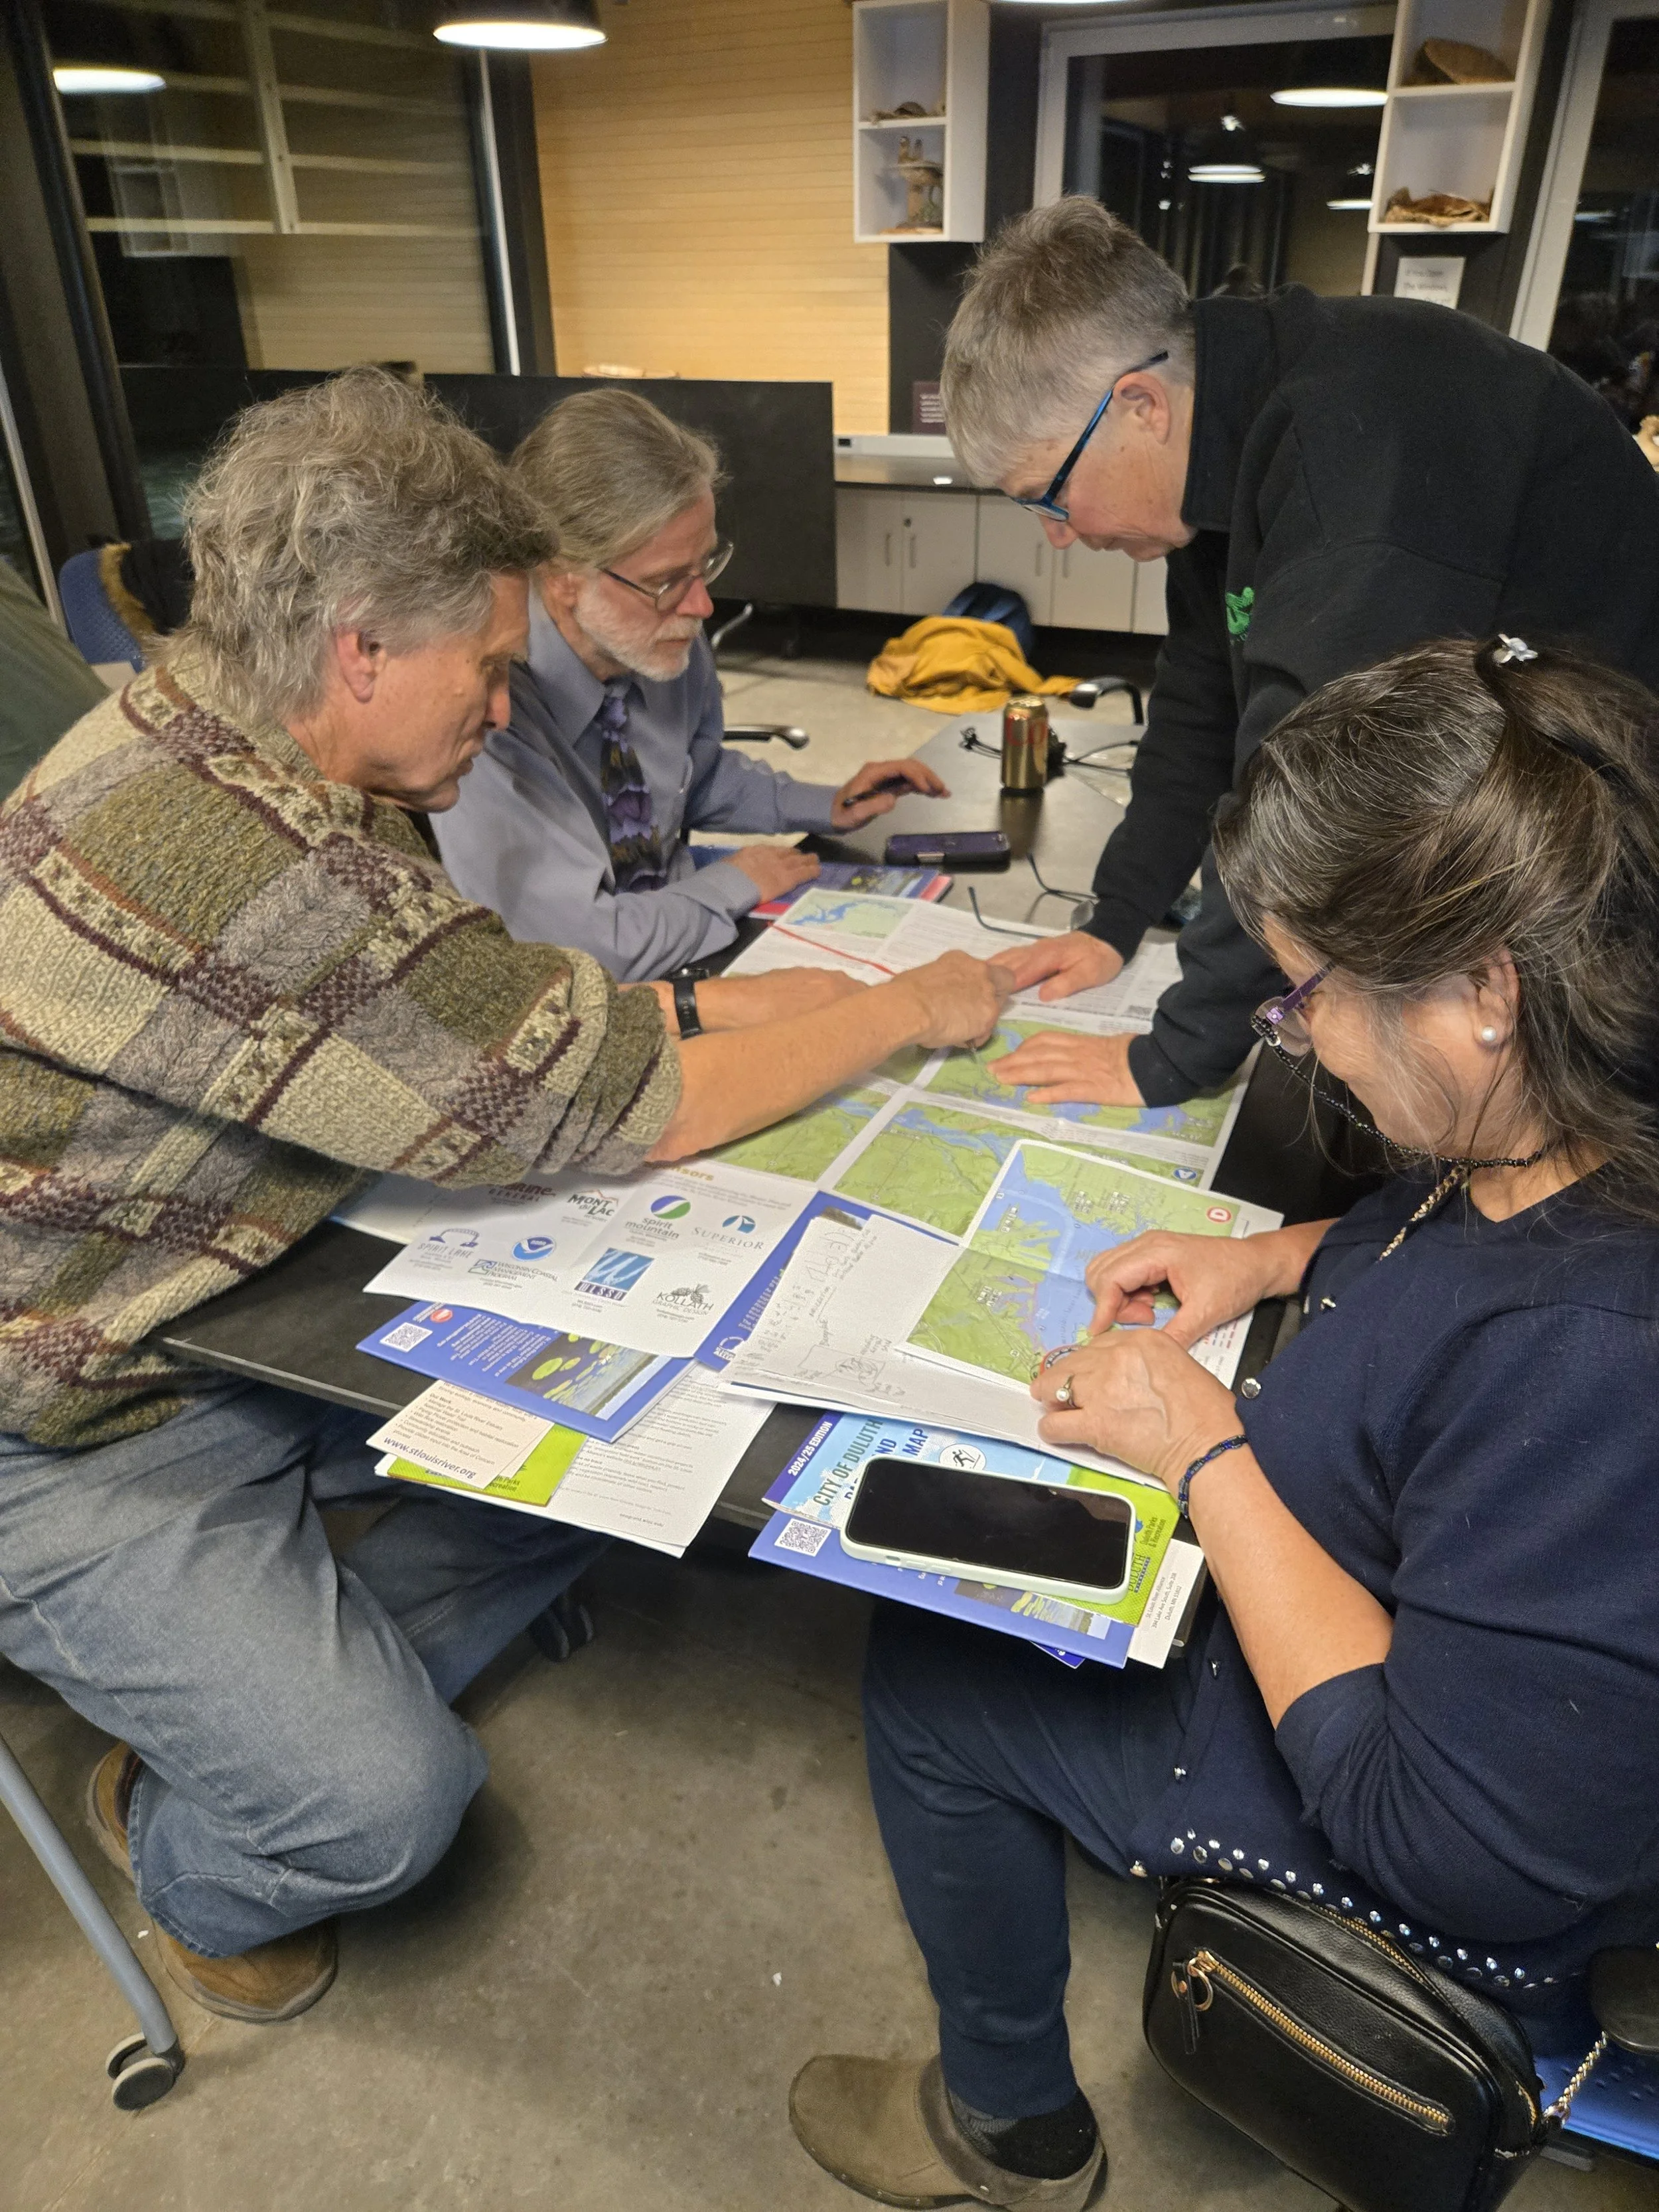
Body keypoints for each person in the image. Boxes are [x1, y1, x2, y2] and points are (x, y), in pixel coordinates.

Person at [0, 370, 1005, 2029]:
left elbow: (494, 1009)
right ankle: (195, 1830)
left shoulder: (216, 729)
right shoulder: (258, 865)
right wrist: (908, 1010)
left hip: (226, 1297)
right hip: (67, 1408)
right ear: (359, 652)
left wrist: (726, 1002)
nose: (502, 697)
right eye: (486, 663)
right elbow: (629, 1100)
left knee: (609, 1464)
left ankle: (250, 1683)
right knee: (376, 1805)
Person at [788, 636, 1659, 2210]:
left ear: (1480, 992)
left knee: (932, 1678)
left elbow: (1449, 1842)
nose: (1302, 1031)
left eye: (1308, 994)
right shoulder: (1585, 1113)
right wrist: (1270, 1257)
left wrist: (1207, 1455)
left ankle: (1008, 2129)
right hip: (1418, 1585)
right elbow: (1473, 1251)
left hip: (1438, 1826)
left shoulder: (1597, 1363)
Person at [935, 198, 1659, 1114]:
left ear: (1139, 406)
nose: (1059, 537)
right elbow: (1201, 709)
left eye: (1047, 495)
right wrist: (1116, 920)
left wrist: (1173, 1056)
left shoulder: (1350, 444)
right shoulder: (1220, 448)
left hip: (1616, 820)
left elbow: (1312, 802)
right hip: (1513, 778)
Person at [433, 387, 948, 981]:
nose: (702, 605)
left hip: (686, 931)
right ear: (561, 576)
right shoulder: (488, 714)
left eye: (704, 565)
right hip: (589, 993)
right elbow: (586, 947)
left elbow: (686, 778)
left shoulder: (665, 641)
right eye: (667, 580)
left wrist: (823, 804)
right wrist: (734, 883)